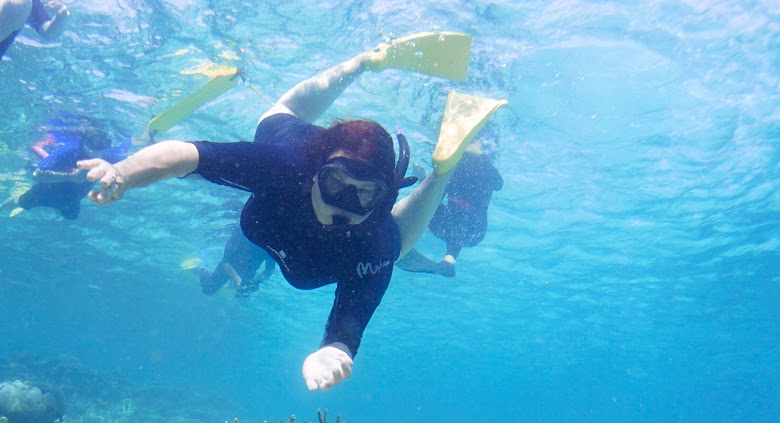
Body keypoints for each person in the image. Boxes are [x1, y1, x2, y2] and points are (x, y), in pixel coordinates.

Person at [77, 48, 498, 391]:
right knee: (275, 118)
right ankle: (362, 62)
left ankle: (444, 168)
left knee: (398, 242)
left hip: (344, 238)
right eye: (336, 186)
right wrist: (125, 173)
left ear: (383, 195)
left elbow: (352, 316)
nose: (345, 207)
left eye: (366, 195)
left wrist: (335, 351)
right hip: (292, 149)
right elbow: (186, 155)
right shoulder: (283, 165)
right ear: (316, 174)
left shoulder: (371, 234)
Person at [397, 149, 501, 277]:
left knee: (460, 214)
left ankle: (449, 261)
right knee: (427, 204)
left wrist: (481, 163)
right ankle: (397, 230)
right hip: (450, 226)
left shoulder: (480, 169)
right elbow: (433, 198)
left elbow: (498, 183)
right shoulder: (453, 170)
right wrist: (423, 179)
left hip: (473, 230)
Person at [15, 113, 125, 220]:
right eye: (95, 142)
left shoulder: (107, 155)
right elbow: (37, 175)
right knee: (22, 202)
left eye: (104, 143)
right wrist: (70, 176)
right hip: (50, 188)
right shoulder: (69, 150)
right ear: (84, 140)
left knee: (71, 216)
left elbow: (130, 161)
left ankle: (56, 207)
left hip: (72, 195)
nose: (98, 149)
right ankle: (14, 200)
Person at [198, 228, 276, 297]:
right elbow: (226, 263)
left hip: (247, 272)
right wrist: (236, 278)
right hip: (227, 268)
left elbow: (269, 269)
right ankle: (202, 266)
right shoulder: (239, 236)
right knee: (209, 289)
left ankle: (232, 285)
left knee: (243, 292)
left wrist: (257, 281)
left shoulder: (269, 246)